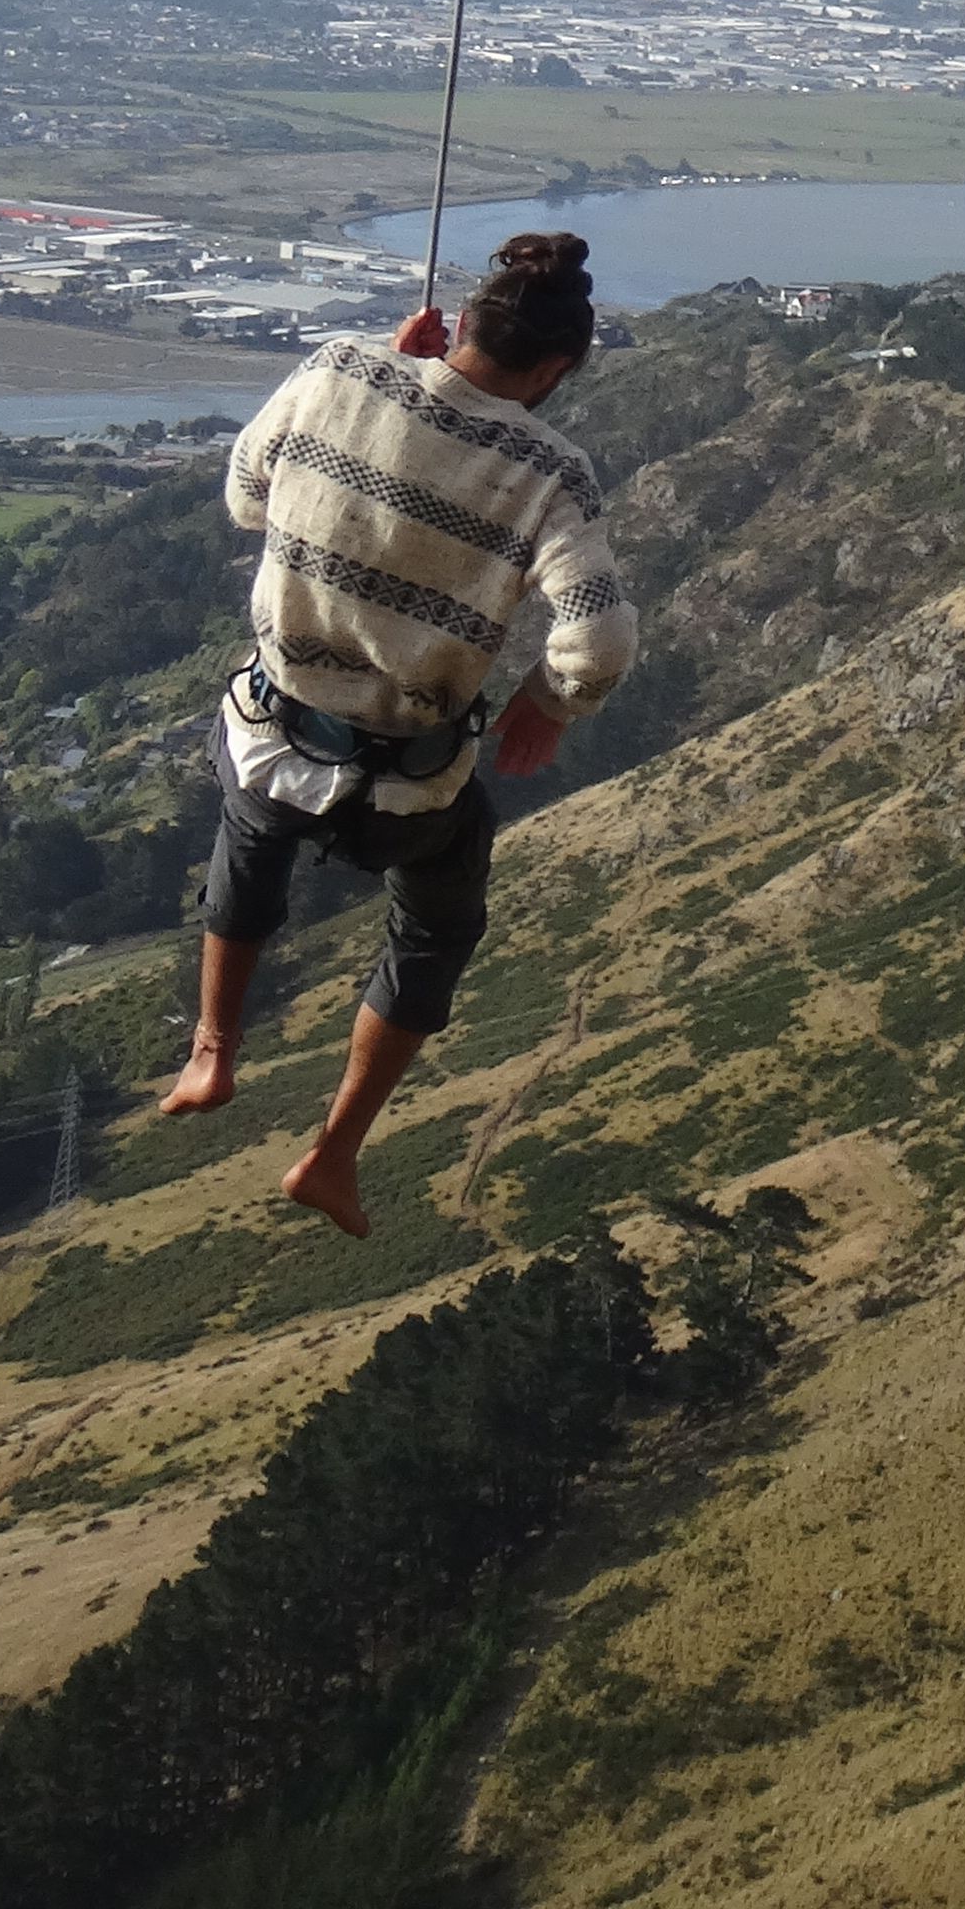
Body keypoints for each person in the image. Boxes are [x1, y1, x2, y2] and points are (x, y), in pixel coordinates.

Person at [168, 232, 636, 1236]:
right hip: (408, 785)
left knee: (250, 836)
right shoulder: (553, 472)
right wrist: (546, 706)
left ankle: (212, 1047)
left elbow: (246, 494)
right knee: (435, 927)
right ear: (554, 368)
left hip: (275, 732)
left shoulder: (338, 370)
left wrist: (390, 371)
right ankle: (333, 1154)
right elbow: (596, 643)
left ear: (462, 324)